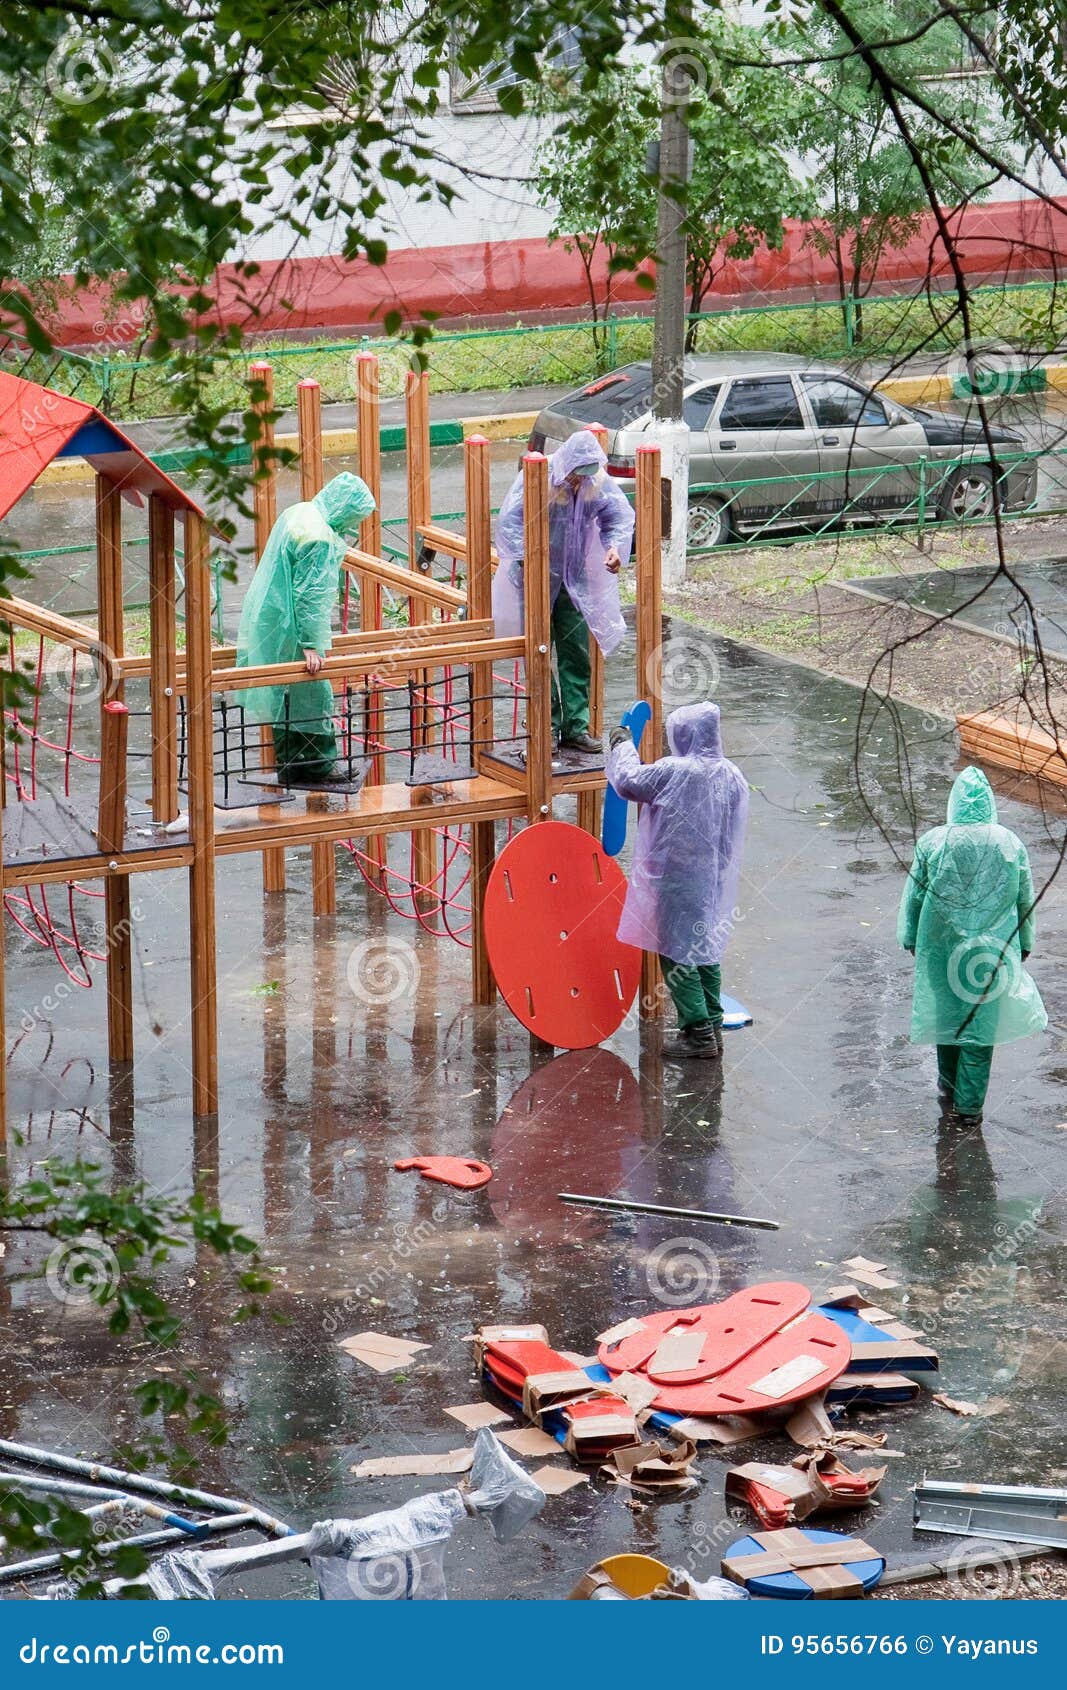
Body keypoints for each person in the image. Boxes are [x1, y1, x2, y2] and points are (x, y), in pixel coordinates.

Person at [898, 765, 1046, 1126]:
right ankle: (969, 1106)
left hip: (940, 948)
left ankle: (949, 1087)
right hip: (991, 952)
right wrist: (1024, 941)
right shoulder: (1008, 842)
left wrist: (909, 935)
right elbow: (1024, 897)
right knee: (980, 1026)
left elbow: (915, 896)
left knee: (946, 1018)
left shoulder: (934, 841)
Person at [606, 701, 749, 1060]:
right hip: (711, 878)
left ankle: (698, 1032)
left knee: (676, 953)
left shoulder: (675, 770)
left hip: (676, 877)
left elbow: (627, 781)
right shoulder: (731, 774)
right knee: (704, 950)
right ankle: (712, 1026)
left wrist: (622, 744)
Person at [494, 429, 635, 754]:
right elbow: (509, 523)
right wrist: (525, 560)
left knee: (576, 654)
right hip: (535, 580)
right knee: (540, 655)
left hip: (574, 582)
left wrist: (613, 548)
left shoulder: (594, 483)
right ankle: (547, 727)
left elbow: (618, 515)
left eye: (584, 476)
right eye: (575, 475)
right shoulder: (539, 478)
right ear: (567, 465)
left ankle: (575, 728)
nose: (577, 482)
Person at [236, 472, 376, 786]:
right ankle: (320, 766)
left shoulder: (300, 512)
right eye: (356, 516)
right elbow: (311, 595)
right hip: (293, 626)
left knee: (283, 692)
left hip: (271, 616)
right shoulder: (320, 538)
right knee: (314, 693)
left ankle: (290, 765)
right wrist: (311, 643)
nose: (354, 524)